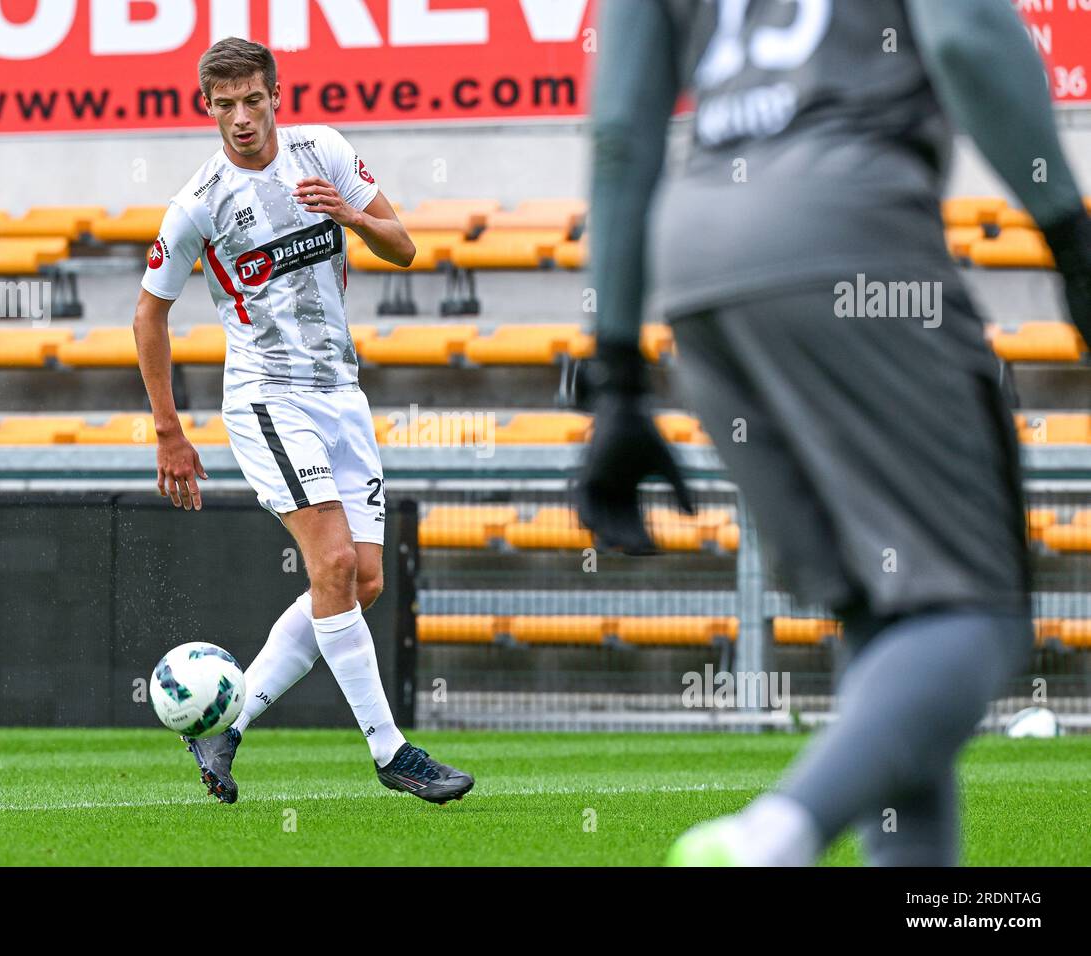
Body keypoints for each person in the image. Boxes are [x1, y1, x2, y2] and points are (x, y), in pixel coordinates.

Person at [578, 0, 1091, 865]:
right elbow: (967, 37)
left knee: (887, 629)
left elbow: (622, 131)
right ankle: (779, 832)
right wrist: (1069, 237)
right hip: (851, 237)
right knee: (980, 615)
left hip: (700, 266)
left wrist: (618, 375)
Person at [133, 37, 474, 806]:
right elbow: (148, 316)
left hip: (340, 395)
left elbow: (406, 248)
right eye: (226, 105)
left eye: (253, 100)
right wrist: (168, 431)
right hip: (267, 395)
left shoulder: (324, 151)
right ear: (208, 108)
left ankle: (227, 724)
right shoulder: (199, 203)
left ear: (276, 94)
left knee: (363, 580)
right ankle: (392, 753)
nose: (242, 118)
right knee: (330, 567)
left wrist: (349, 215)